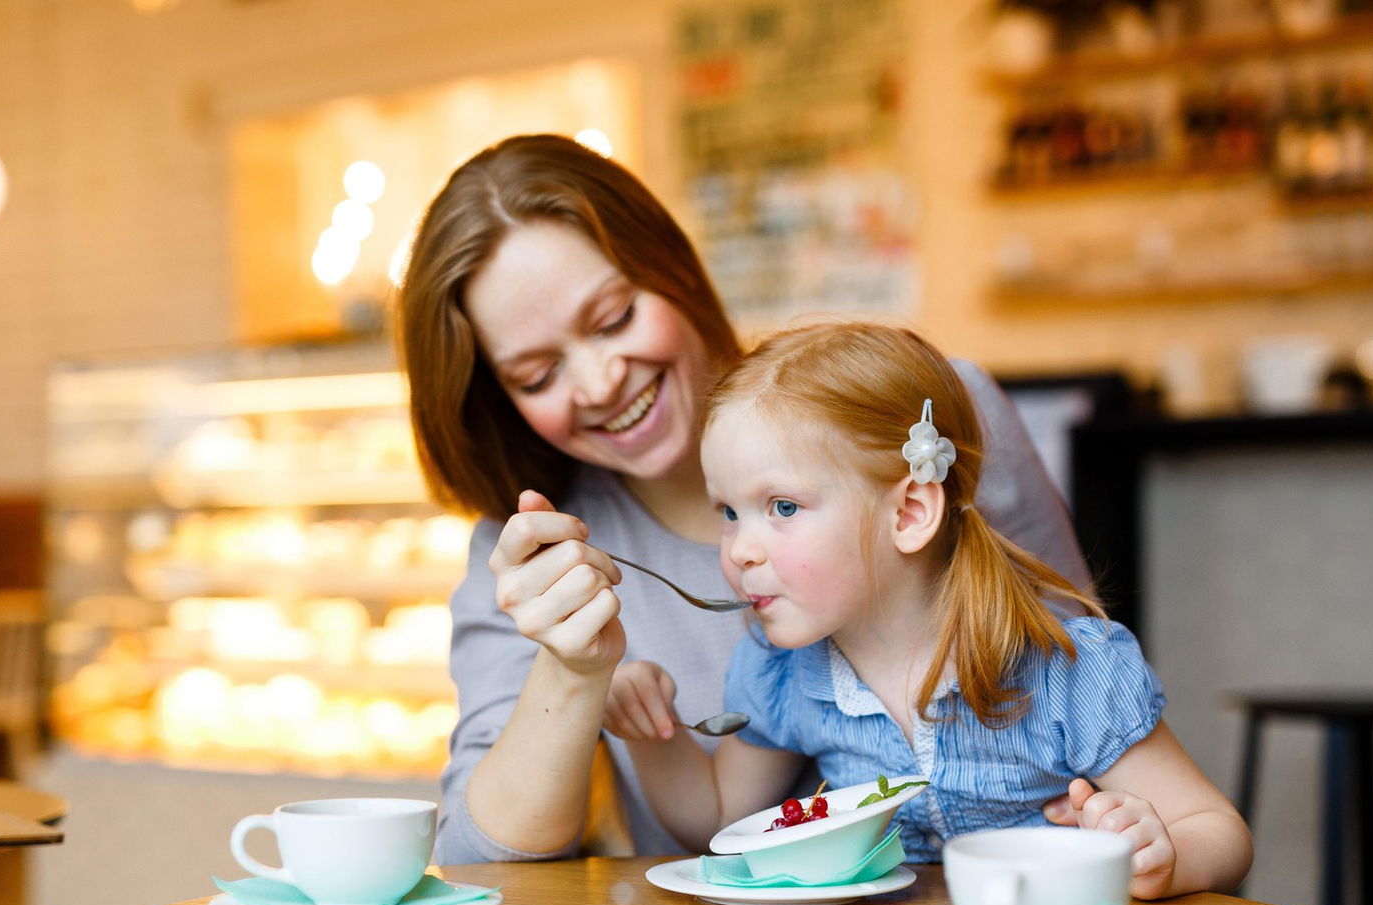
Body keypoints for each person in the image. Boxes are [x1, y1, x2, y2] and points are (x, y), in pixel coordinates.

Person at [398, 133, 1093, 864]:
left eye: (614, 320)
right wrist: (572, 672)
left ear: (672, 270)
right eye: (538, 376)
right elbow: (476, 860)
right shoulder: (537, 554)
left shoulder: (928, 424)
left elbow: (1087, 686)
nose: (600, 383)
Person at [601, 322, 1252, 898]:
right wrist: (648, 733)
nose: (740, 549)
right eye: (728, 511)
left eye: (783, 507)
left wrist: (1159, 856)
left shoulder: (1065, 669)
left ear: (910, 513)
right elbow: (720, 820)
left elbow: (1217, 831)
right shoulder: (781, 672)